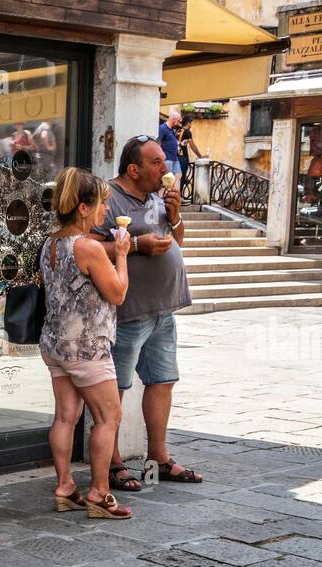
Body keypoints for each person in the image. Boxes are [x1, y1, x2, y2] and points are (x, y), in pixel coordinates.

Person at [91, 135, 203, 489]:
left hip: (163, 309)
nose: (165, 168)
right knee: (116, 389)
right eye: (156, 162)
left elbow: (177, 240)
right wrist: (137, 245)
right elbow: (88, 249)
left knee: (162, 381)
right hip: (126, 312)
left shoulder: (158, 198)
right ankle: (113, 463)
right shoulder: (107, 199)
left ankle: (159, 457)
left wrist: (176, 215)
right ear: (133, 169)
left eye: (164, 162)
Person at [39, 167, 133, 520]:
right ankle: (99, 494)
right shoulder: (89, 247)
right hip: (87, 347)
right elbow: (118, 293)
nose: (105, 211)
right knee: (109, 416)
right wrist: (121, 253)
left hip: (55, 343)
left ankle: (65, 486)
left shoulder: (50, 243)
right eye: (101, 204)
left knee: (66, 416)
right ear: (82, 208)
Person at [177, 114, 203, 184]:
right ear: (188, 123)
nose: (191, 125)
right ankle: (180, 193)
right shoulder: (187, 132)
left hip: (176, 157)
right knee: (181, 178)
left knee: (177, 178)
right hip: (183, 157)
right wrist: (201, 157)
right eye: (191, 123)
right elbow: (193, 146)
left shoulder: (178, 130)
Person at [158, 109, 182, 178]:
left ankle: (176, 189)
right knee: (168, 179)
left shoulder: (171, 130)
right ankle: (168, 189)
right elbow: (158, 143)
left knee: (178, 176)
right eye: (178, 121)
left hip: (175, 158)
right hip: (167, 158)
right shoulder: (162, 128)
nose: (178, 123)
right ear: (174, 119)